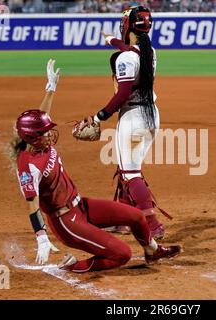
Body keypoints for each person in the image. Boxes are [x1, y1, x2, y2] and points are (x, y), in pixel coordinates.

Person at [9, 59, 181, 272]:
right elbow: (31, 204)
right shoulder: (28, 166)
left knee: (136, 216)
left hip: (81, 206)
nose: (50, 133)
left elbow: (41, 117)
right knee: (122, 254)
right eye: (45, 131)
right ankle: (69, 267)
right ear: (32, 137)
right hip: (66, 222)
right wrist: (41, 237)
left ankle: (152, 250)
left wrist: (51, 88)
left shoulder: (38, 143)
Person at [76, 6, 169, 240]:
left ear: (128, 26)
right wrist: (112, 41)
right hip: (150, 114)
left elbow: (123, 93)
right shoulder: (150, 52)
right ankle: (123, 220)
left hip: (133, 117)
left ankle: (153, 224)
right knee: (127, 168)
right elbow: (129, 50)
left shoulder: (126, 58)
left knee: (130, 172)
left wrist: (98, 117)